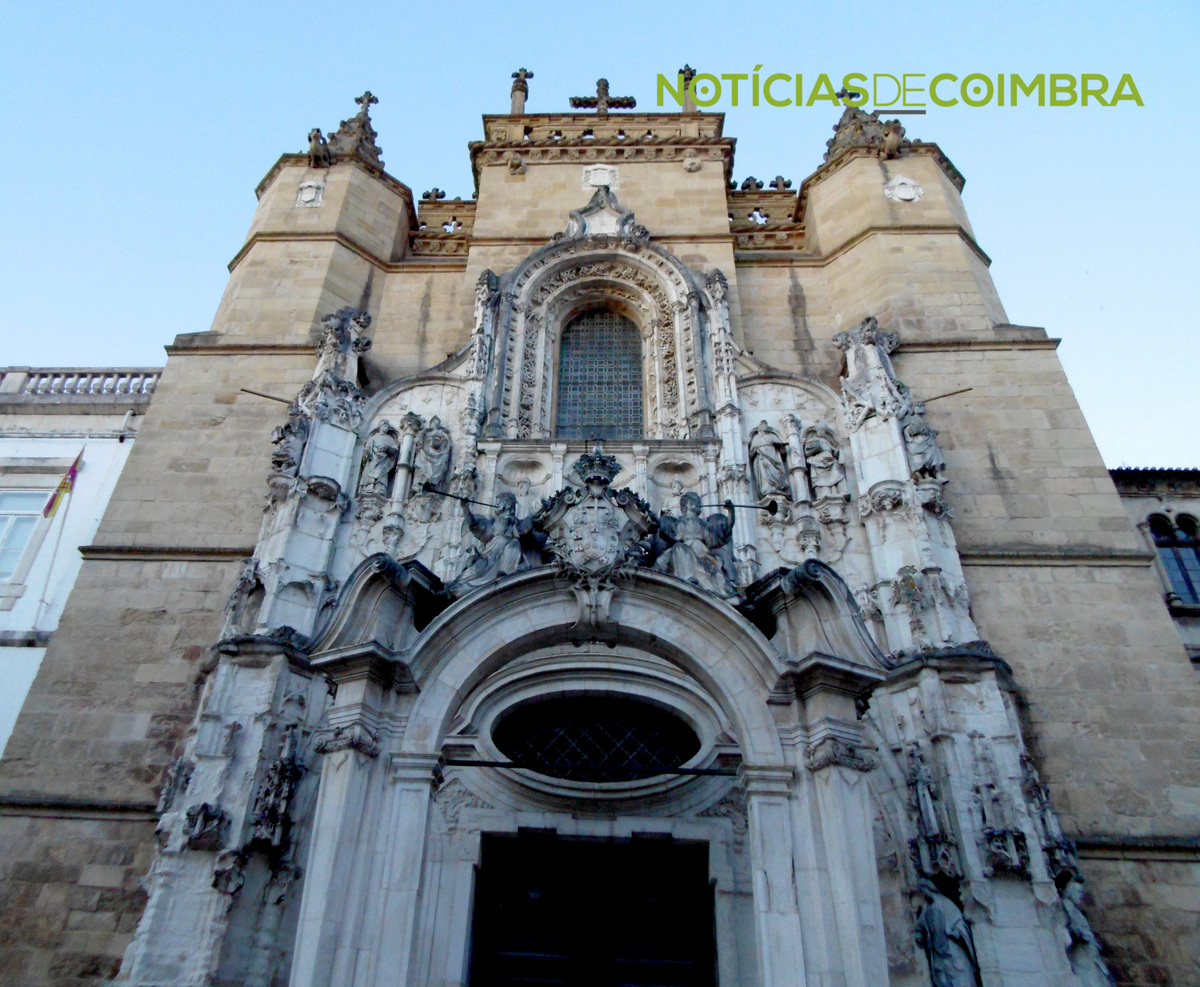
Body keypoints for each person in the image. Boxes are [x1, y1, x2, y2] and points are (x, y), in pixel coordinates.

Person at [653, 493, 737, 597]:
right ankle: (689, 578)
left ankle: (702, 584)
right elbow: (664, 531)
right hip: (683, 552)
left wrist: (730, 511)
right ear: (685, 505)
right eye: (692, 501)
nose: (697, 503)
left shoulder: (704, 525)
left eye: (698, 501)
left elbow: (727, 529)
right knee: (677, 548)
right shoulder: (679, 524)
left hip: (702, 553)